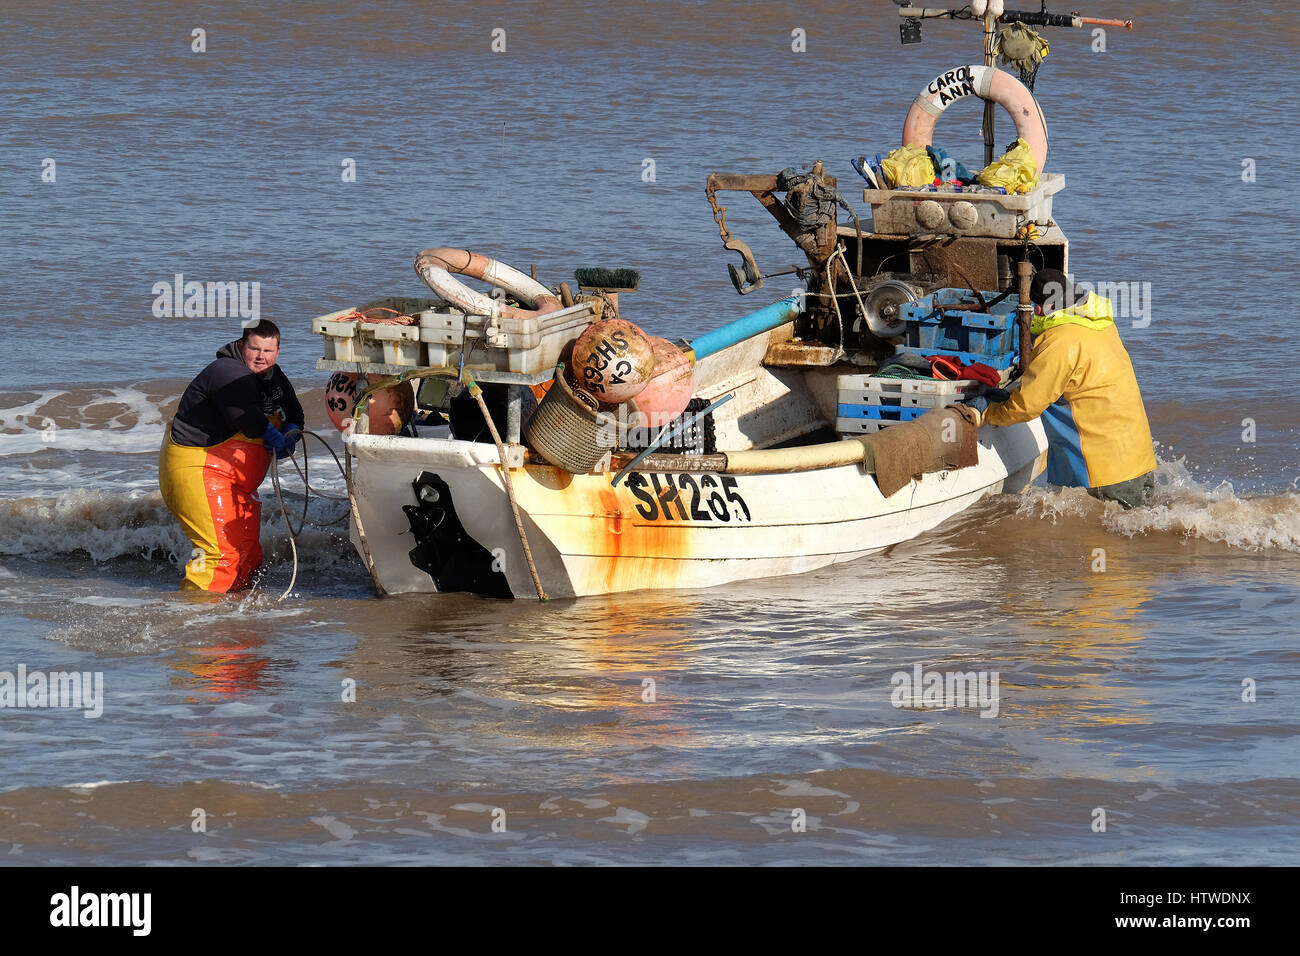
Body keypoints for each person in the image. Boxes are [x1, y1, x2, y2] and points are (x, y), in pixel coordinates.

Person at [969, 269, 1157, 509]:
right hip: (1140, 463)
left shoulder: (1059, 341)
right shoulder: (1101, 326)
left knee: (1093, 542)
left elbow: (1026, 406)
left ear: (1037, 309)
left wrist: (986, 414)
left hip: (1103, 475)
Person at [159, 320, 304, 591]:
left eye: (268, 351)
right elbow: (246, 418)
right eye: (254, 349)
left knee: (247, 553)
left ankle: (233, 621)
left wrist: (293, 431)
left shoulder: (274, 376)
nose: (261, 357)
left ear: (278, 352)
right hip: (199, 471)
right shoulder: (227, 372)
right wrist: (272, 436)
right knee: (219, 555)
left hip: (237, 483)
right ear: (241, 346)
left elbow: (295, 411)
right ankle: (195, 617)